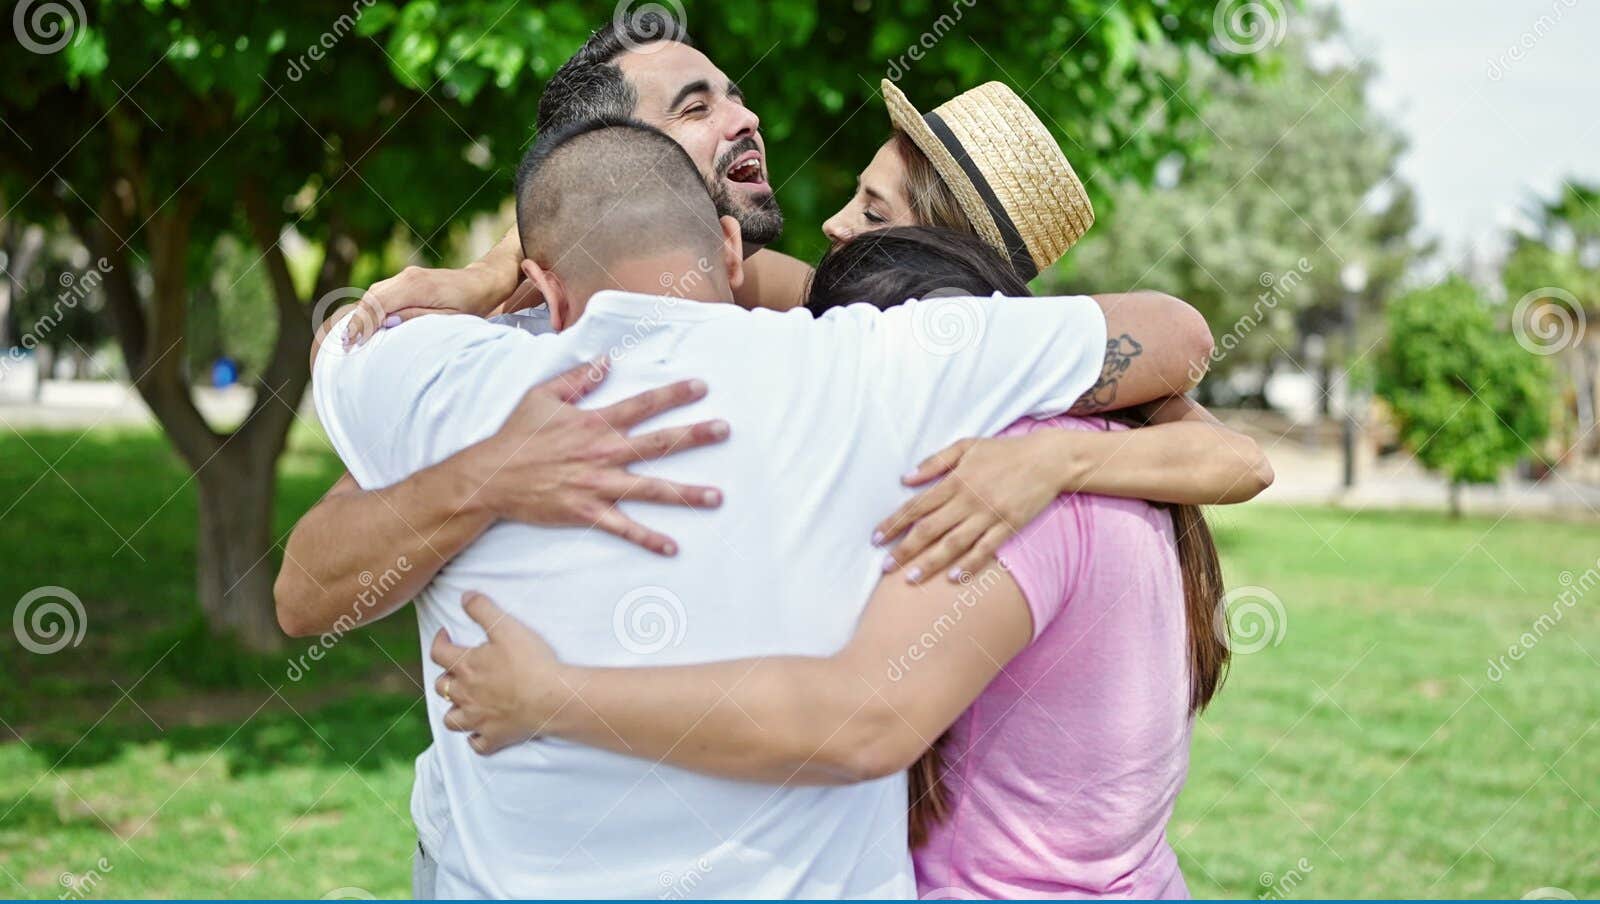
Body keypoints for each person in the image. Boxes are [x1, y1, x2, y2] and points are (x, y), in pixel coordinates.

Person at [311, 117, 1212, 897]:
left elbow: (860, 719)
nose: (831, 224)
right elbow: (1180, 358)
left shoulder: (986, 450)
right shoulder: (906, 367)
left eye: (870, 213)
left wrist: (551, 695)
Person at [275, 20, 1268, 638]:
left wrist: (1053, 467)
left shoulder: (882, 340)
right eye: (700, 103)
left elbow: (1214, 430)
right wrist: (490, 452)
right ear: (612, 152)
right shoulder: (506, 360)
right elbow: (309, 594)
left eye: (737, 92)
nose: (749, 117)